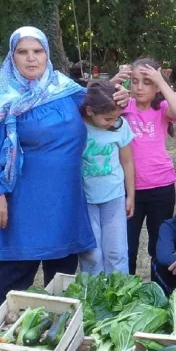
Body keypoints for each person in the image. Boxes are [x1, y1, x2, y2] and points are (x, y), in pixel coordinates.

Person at [0, 26, 129, 315]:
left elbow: (103, 110)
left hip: (66, 200)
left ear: (47, 55)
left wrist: (122, 97)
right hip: (24, 202)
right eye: (23, 52)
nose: (31, 59)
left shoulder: (66, 92)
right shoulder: (3, 100)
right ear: (12, 57)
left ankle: (59, 339)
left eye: (38, 51)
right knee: (16, 275)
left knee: (62, 278)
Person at [123, 57, 176, 277]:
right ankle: (125, 290)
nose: (139, 87)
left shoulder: (162, 108)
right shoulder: (124, 106)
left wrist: (161, 81)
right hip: (129, 189)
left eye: (147, 82)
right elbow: (94, 105)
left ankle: (160, 289)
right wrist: (116, 81)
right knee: (126, 246)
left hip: (161, 187)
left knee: (159, 246)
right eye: (134, 81)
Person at [77, 80, 135, 275]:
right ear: (90, 111)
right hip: (86, 200)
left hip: (114, 196)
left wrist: (131, 196)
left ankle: (120, 295)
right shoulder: (77, 127)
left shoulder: (120, 126)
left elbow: (127, 162)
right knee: (91, 253)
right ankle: (94, 295)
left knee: (116, 252)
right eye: (108, 119)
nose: (113, 123)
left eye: (116, 117)